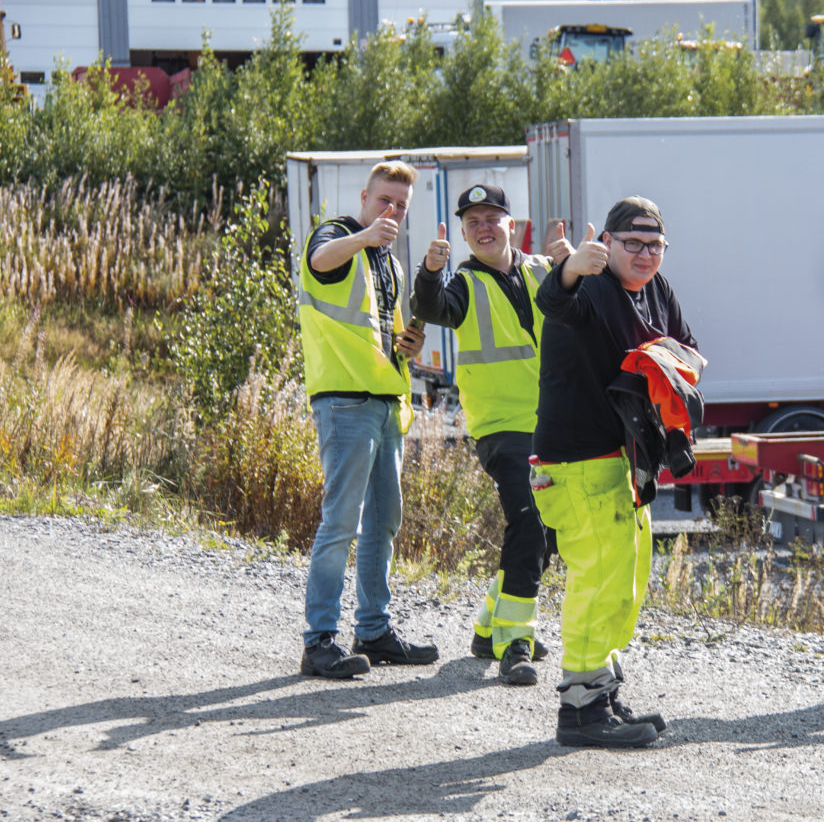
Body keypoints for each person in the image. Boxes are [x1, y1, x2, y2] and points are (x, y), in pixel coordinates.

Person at [532, 196, 697, 748]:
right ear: (607, 242)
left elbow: (690, 351)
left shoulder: (657, 290)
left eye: (655, 245)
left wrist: (664, 362)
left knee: (625, 582)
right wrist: (571, 268)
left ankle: (601, 691)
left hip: (624, 460)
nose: (645, 255)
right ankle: (580, 710)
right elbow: (555, 301)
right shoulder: (592, 284)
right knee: (598, 579)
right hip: (576, 460)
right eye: (633, 244)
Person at [412, 183, 559, 686]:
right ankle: (515, 641)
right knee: (531, 523)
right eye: (472, 222)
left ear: (510, 225)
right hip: (500, 426)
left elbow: (581, 306)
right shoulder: (462, 284)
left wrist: (578, 265)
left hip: (552, 423)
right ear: (463, 233)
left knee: (549, 533)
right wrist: (430, 271)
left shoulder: (543, 270)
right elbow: (432, 309)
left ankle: (486, 626)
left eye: (491, 218)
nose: (483, 228)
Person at [297, 161, 439, 679]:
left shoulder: (391, 265)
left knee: (383, 522)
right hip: (344, 401)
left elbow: (389, 337)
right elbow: (318, 258)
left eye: (401, 205)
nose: (392, 211)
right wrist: (365, 237)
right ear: (365, 195)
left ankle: (374, 630)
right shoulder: (338, 236)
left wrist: (410, 344)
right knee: (340, 522)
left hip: (382, 403)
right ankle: (319, 641)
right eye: (384, 200)